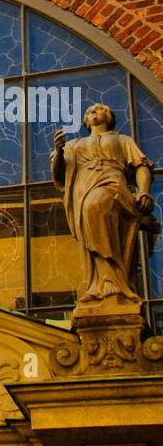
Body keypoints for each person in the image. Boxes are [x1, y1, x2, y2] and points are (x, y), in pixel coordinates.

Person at [51, 103, 155, 305]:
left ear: (109, 116)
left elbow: (141, 166)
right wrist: (58, 151)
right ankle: (100, 284)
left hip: (112, 183)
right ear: (86, 121)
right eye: (89, 112)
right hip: (83, 187)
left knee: (97, 207)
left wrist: (143, 191)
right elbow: (59, 174)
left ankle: (114, 281)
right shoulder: (74, 144)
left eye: (99, 109)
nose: (93, 112)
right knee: (90, 221)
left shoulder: (122, 140)